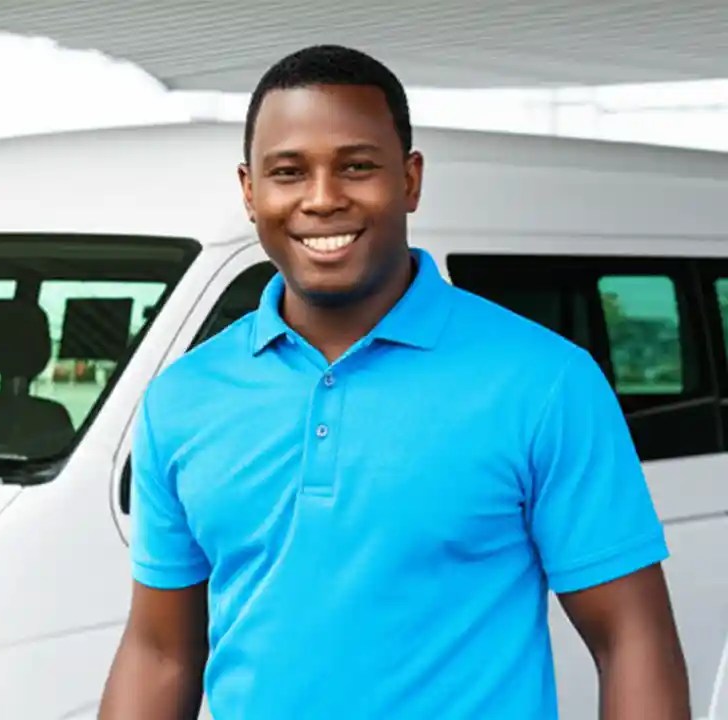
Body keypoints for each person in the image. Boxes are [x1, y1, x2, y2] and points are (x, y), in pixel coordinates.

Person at [98, 44, 690, 719]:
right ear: (249, 190)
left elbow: (631, 637)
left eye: (356, 166)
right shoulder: (183, 398)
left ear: (409, 180)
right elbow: (160, 653)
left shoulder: (545, 383)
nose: (322, 199)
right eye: (288, 172)